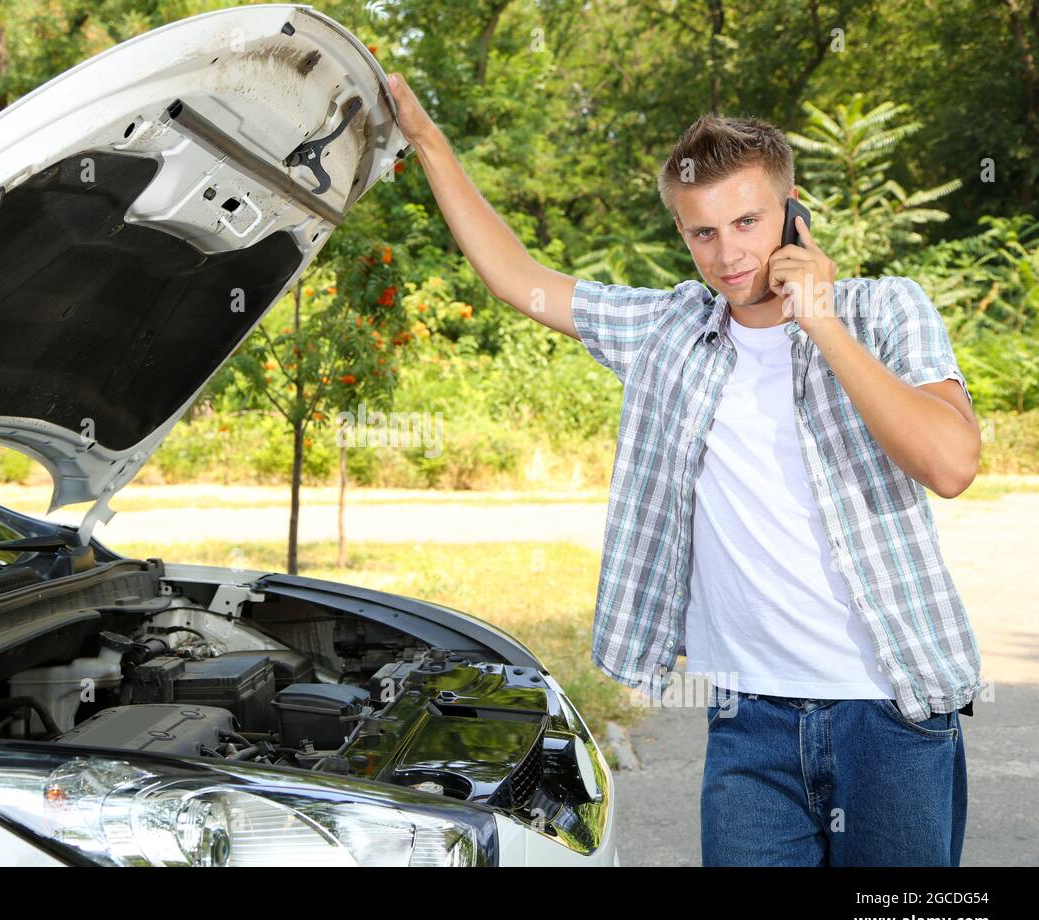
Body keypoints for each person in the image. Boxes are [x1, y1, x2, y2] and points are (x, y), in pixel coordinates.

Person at [386, 72, 981, 866]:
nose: (729, 253)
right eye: (702, 232)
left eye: (747, 220)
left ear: (792, 210)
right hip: (748, 722)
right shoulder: (668, 329)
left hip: (892, 715)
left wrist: (823, 322)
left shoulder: (886, 309)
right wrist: (427, 141)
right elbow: (516, 279)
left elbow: (949, 463)